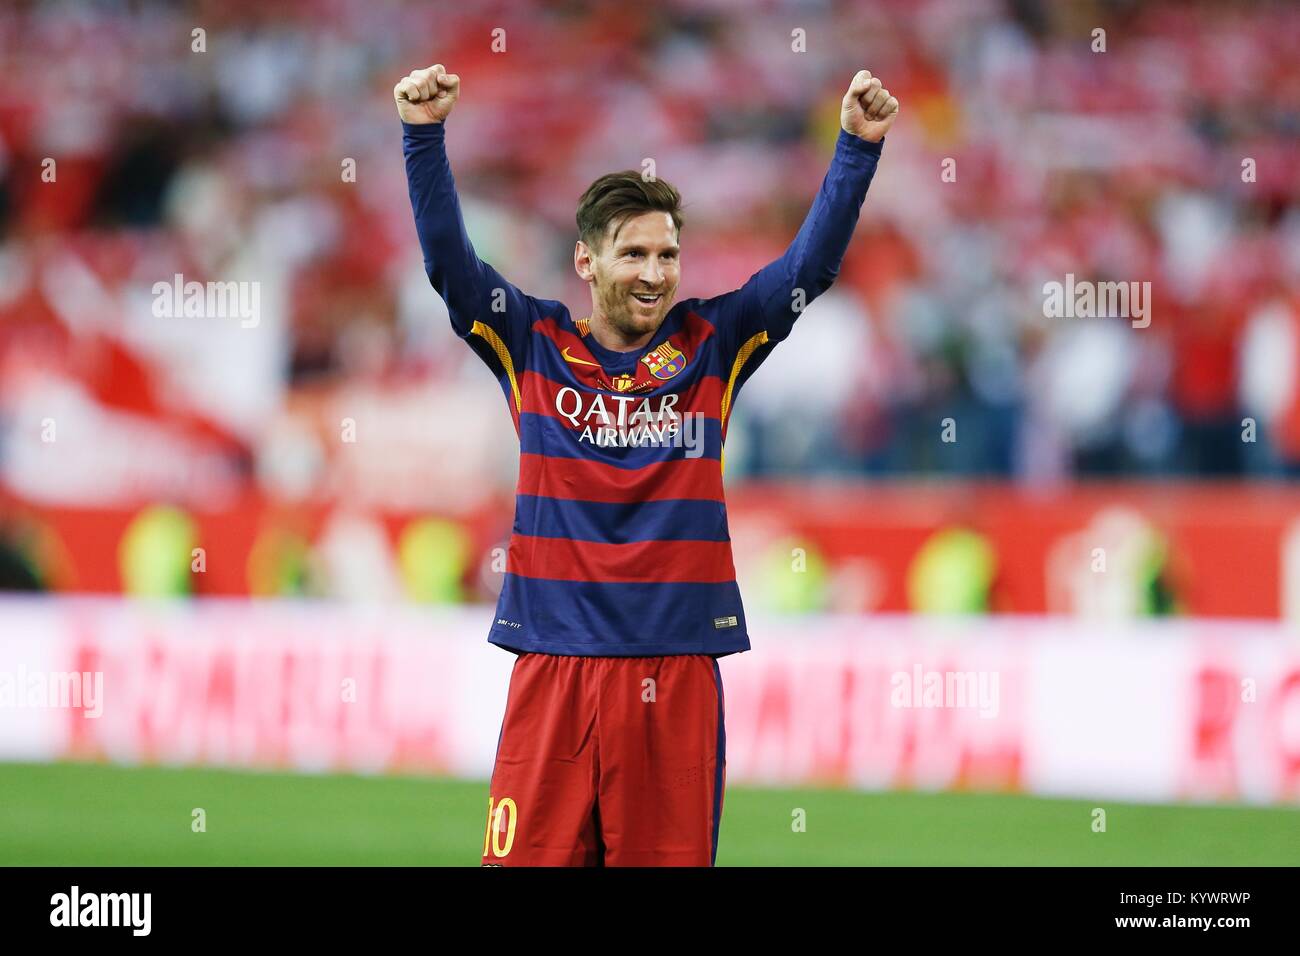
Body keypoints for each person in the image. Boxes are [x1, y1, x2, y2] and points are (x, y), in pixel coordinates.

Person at [396, 62, 896, 866]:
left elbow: (809, 271)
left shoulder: (714, 344)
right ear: (586, 262)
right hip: (553, 670)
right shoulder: (531, 343)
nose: (656, 273)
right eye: (634, 254)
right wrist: (423, 137)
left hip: (676, 674)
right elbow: (451, 267)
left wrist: (856, 150)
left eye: (668, 254)